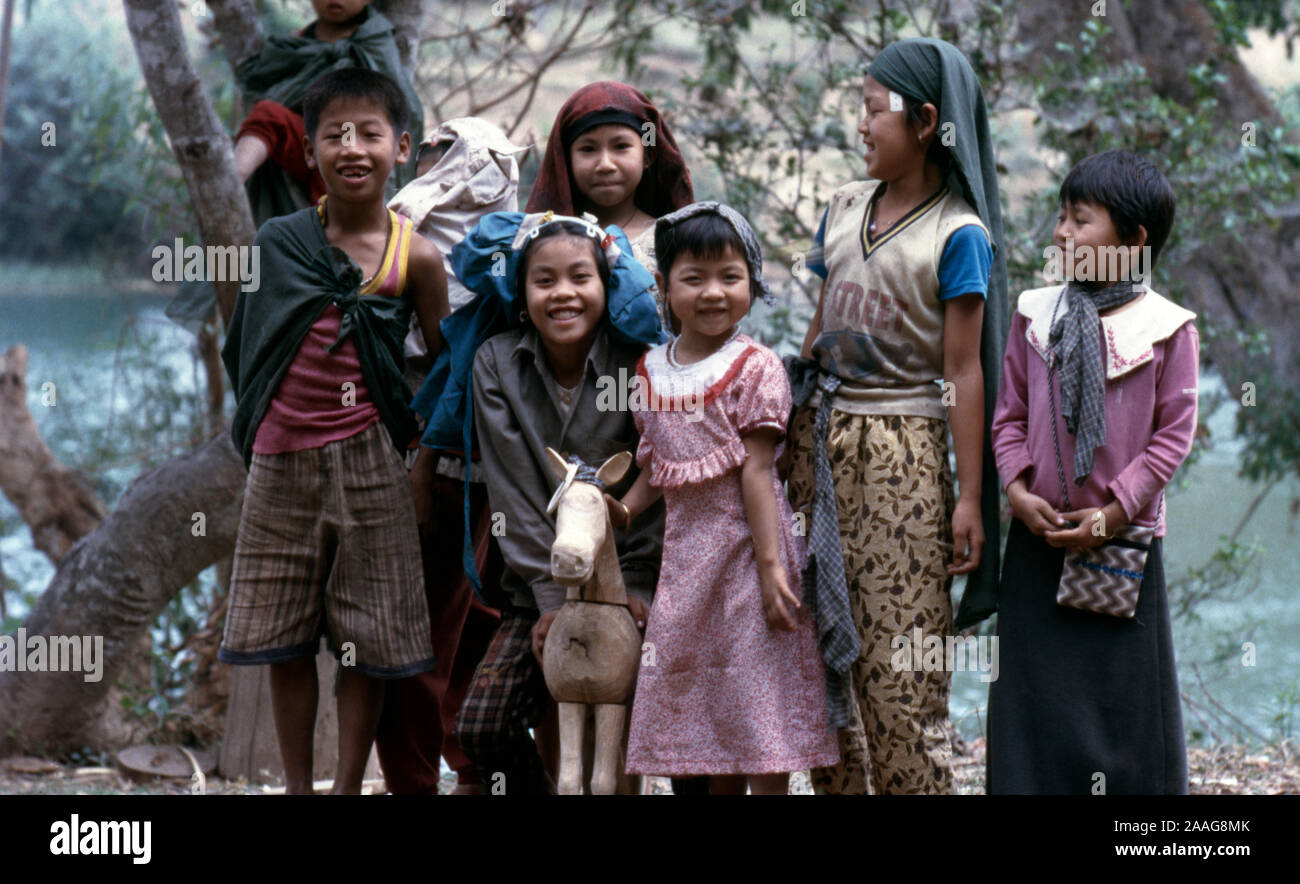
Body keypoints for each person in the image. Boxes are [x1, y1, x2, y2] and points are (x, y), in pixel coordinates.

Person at [785, 37, 1009, 794]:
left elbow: (962, 371)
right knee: (827, 666)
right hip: (824, 445)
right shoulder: (844, 207)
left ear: (924, 122)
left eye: (871, 111)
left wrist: (971, 497)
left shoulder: (958, 234)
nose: (860, 126)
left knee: (903, 663)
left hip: (904, 453)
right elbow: (817, 334)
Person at [218, 67, 448, 795]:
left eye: (370, 133)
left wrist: (421, 466)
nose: (353, 148)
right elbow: (247, 348)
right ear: (310, 153)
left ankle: (347, 786)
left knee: (367, 642)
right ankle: (297, 787)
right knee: (284, 639)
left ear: (402, 147)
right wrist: (257, 435)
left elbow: (442, 374)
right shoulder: (279, 242)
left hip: (374, 465)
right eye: (334, 134)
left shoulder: (417, 256)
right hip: (281, 460)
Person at [987, 150, 1197, 794]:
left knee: (1125, 701)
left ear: (1133, 240)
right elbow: (1009, 417)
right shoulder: (1035, 313)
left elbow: (1173, 436)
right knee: (1031, 700)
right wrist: (1018, 492)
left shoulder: (1167, 329)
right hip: (1038, 537)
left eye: (1081, 220)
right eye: (1061, 217)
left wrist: (1112, 514)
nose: (1061, 233)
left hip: (1122, 546)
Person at [613, 203, 839, 794]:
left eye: (730, 277)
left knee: (759, 716)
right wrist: (619, 512)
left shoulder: (755, 368)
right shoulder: (649, 372)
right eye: (694, 278)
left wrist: (770, 570)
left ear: (752, 282)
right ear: (664, 286)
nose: (713, 293)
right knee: (711, 719)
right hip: (687, 572)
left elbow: (759, 473)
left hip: (749, 558)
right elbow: (659, 469)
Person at [449, 210, 666, 794]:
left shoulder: (639, 365)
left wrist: (639, 587)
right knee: (482, 729)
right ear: (522, 291)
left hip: (637, 584)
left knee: (642, 723)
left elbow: (659, 477)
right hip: (540, 587)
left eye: (580, 278)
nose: (563, 294)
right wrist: (551, 601)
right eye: (544, 281)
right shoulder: (497, 363)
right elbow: (514, 493)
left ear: (605, 286)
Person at [375, 118, 527, 795]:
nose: (433, 163)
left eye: (444, 151)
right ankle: (430, 775)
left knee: (453, 629)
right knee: (428, 633)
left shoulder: (512, 251)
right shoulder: (401, 232)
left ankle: (457, 772)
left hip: (468, 472)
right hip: (416, 466)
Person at [232, 0, 423, 225]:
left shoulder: (375, 42)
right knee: (268, 114)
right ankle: (230, 182)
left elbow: (406, 110)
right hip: (305, 141)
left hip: (353, 145)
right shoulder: (295, 46)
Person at [526, 81, 694, 328]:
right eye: (588, 149)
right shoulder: (541, 239)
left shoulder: (671, 241)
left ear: (648, 155)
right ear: (566, 161)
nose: (605, 164)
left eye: (621, 146)